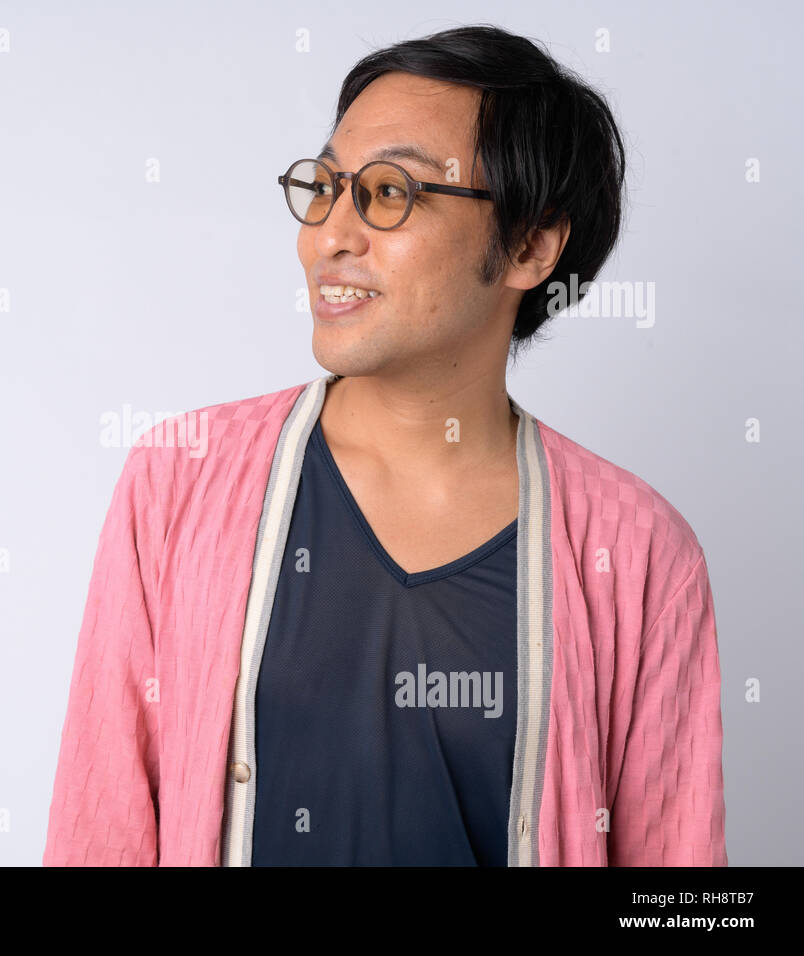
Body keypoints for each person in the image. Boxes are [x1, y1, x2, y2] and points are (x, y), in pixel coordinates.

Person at [43, 23, 726, 867]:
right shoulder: (180, 480)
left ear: (530, 246)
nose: (329, 234)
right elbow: (99, 829)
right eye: (327, 186)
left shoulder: (639, 553)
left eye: (391, 192)